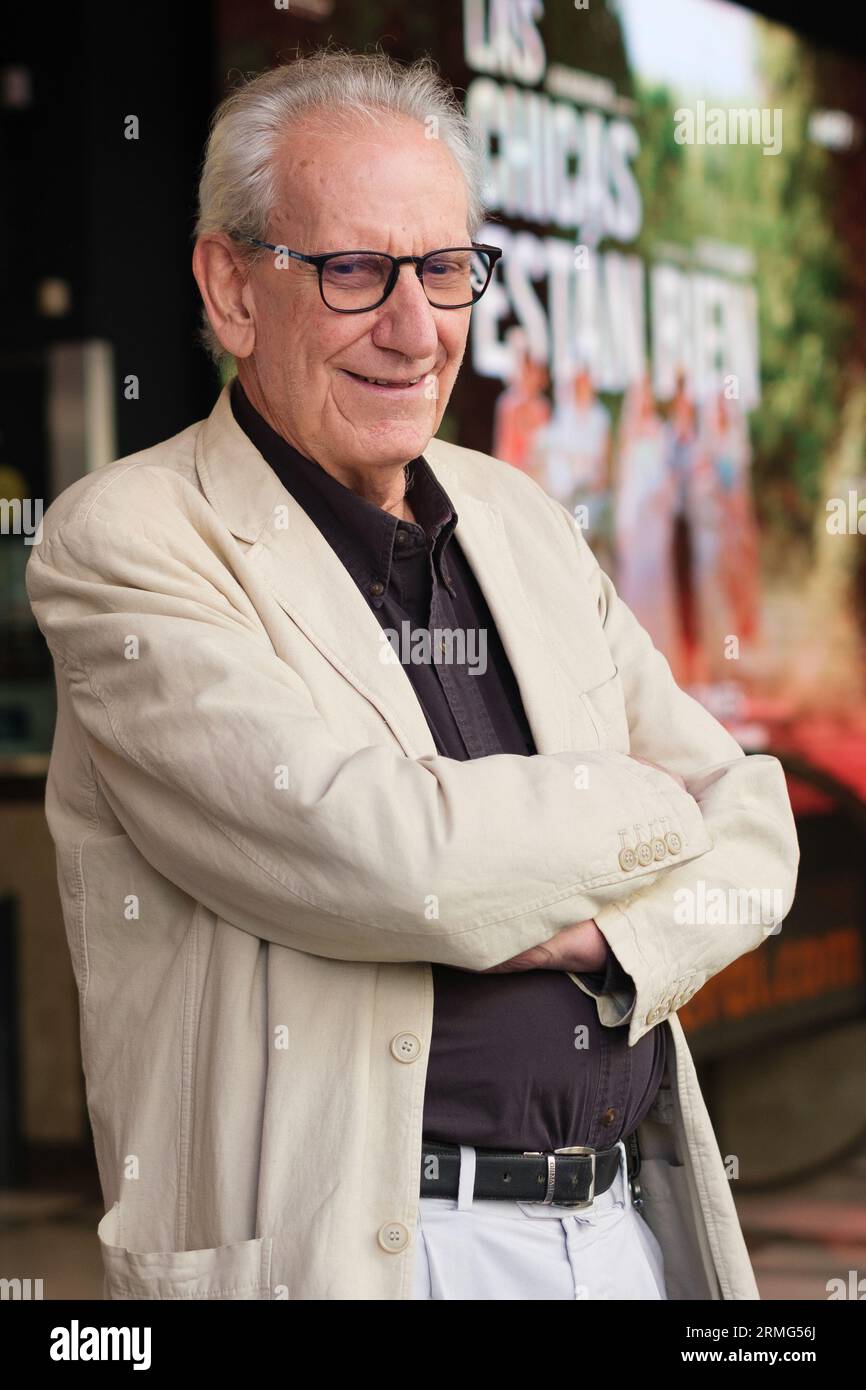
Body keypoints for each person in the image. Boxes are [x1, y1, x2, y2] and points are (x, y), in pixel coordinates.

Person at [26, 47, 799, 1301]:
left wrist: (602, 932)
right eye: (351, 272)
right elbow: (389, 858)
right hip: (377, 1251)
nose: (414, 328)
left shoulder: (520, 516)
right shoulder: (127, 542)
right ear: (230, 291)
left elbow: (755, 830)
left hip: (618, 1231)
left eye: (444, 270)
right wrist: (655, 812)